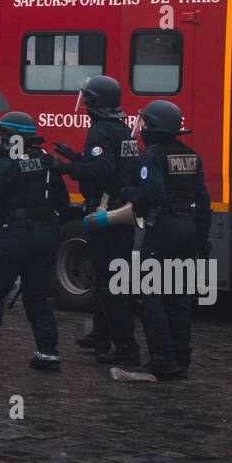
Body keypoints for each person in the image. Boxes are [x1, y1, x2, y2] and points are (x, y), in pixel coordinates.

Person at [0, 112, 71, 371]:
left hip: (15, 235)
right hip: (45, 235)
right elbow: (63, 204)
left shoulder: (6, 163)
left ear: (10, 138)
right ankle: (48, 353)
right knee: (37, 297)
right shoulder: (44, 161)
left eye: (0, 136)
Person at [50, 74, 141, 365]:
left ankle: (125, 347)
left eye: (87, 101)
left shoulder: (101, 130)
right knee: (107, 279)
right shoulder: (121, 130)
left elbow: (101, 169)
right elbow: (114, 164)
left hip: (105, 213)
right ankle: (100, 336)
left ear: (95, 104)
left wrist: (66, 168)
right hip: (119, 211)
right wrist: (76, 156)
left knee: (110, 282)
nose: (84, 106)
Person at [120, 100, 211, 381]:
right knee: (179, 297)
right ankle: (182, 360)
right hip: (188, 228)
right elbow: (204, 202)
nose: (143, 128)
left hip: (164, 229)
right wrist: (201, 240)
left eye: (146, 123)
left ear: (155, 127)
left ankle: (162, 357)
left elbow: (154, 194)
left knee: (150, 294)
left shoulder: (153, 155)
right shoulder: (191, 156)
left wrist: (129, 192)